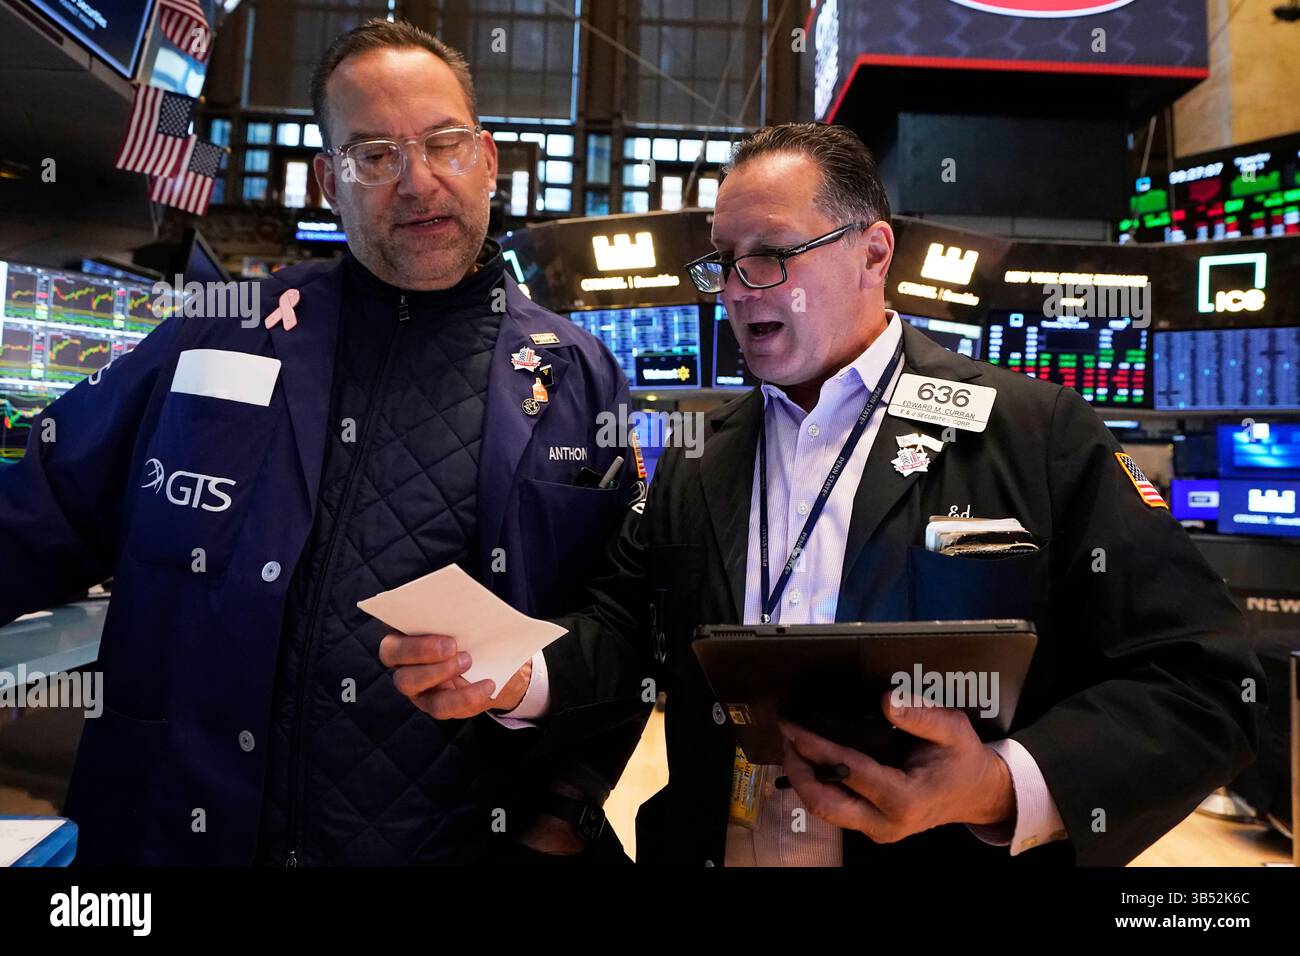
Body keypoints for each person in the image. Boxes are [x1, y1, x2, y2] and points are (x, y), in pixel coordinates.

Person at [390, 122, 1263, 866]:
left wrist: (1000, 784)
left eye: (770, 256)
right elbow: (625, 630)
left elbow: (1199, 681)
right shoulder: (701, 459)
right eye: (725, 263)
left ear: (872, 251)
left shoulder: (1033, 433)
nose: (737, 290)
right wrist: (509, 673)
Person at [0, 19, 638, 865]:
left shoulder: (578, 379)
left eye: (444, 144)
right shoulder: (215, 336)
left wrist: (564, 817)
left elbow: (628, 623)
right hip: (172, 833)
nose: (417, 182)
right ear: (325, 182)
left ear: (487, 159)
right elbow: (34, 513)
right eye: (373, 155)